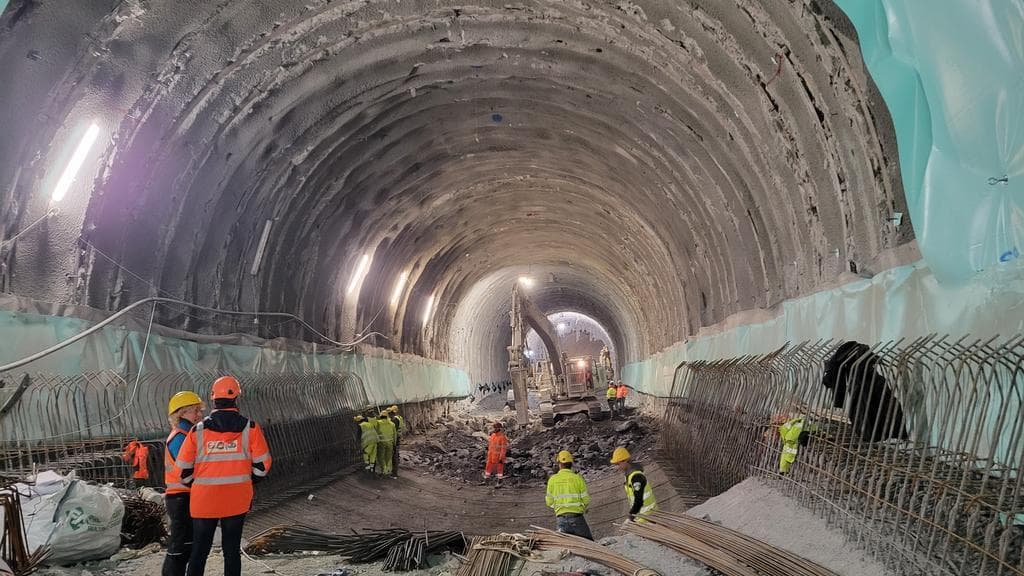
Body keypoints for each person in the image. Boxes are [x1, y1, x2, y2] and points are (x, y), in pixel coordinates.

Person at [177, 376, 271, 576]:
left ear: (212, 398)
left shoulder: (198, 431)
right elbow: (262, 467)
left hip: (204, 500)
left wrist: (199, 484)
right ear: (237, 396)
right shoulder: (251, 428)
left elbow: (183, 471)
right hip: (237, 499)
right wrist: (248, 480)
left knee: (199, 551)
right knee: (231, 551)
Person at [162, 391, 204, 576]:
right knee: (180, 546)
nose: (200, 414)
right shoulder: (180, 437)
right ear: (181, 413)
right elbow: (188, 469)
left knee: (187, 544)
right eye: (195, 410)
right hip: (180, 498)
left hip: (183, 497)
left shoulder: (187, 434)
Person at [545, 450, 593, 540]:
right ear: (571, 464)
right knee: (589, 543)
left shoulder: (552, 480)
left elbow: (549, 502)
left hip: (561, 519)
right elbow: (586, 500)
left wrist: (558, 507)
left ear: (559, 464)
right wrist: (581, 507)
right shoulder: (577, 478)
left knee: (566, 546)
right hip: (576, 517)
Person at [610, 447, 656, 522]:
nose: (618, 467)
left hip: (648, 516)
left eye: (618, 464)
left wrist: (631, 516)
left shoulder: (636, 477)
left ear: (626, 461)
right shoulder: (629, 475)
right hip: (642, 515)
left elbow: (638, 500)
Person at [374, 411, 397, 477]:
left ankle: (384, 470)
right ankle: (388, 471)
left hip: (381, 443)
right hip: (390, 443)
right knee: (388, 458)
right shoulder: (392, 424)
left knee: (381, 457)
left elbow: (375, 433)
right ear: (387, 416)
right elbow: (395, 435)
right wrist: (394, 443)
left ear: (380, 416)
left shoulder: (378, 423)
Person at [387, 405, 405, 478]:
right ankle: (394, 471)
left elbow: (393, 430)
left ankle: (394, 473)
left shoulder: (394, 420)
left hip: (395, 439)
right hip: (397, 437)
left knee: (394, 456)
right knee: (395, 455)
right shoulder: (399, 418)